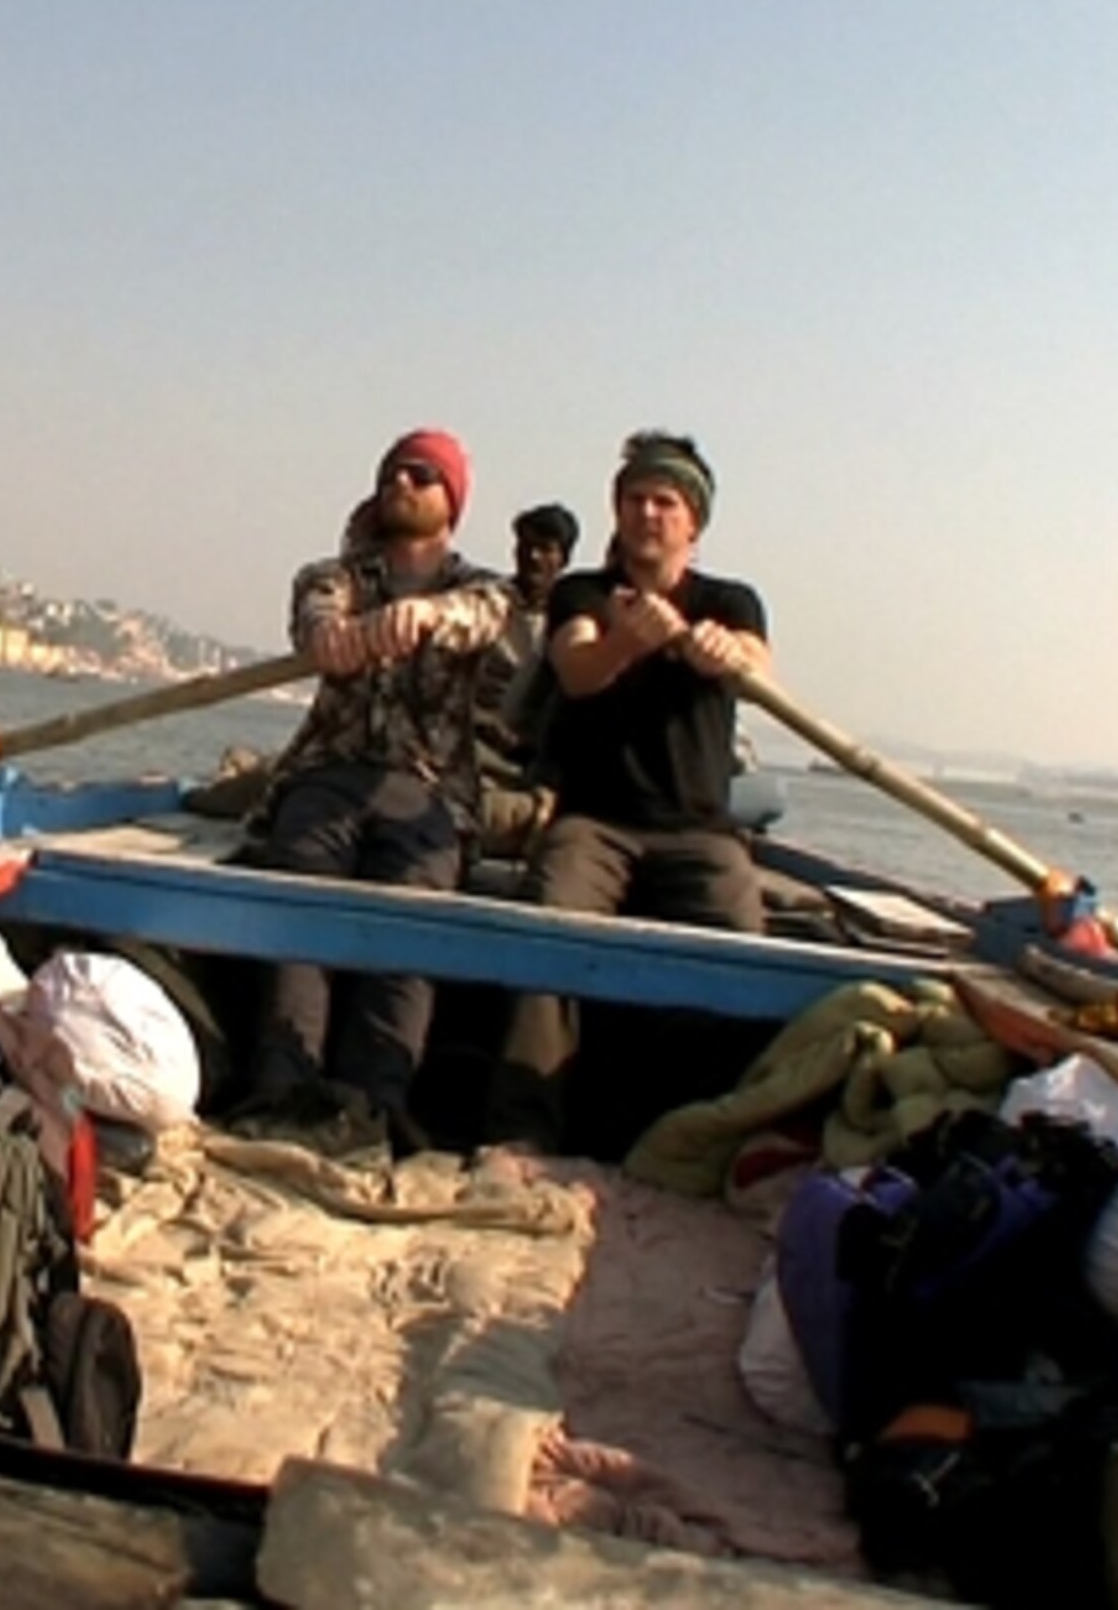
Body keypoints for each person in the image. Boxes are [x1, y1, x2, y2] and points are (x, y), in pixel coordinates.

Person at [484, 431, 771, 1153]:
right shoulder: (584, 592)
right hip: (595, 825)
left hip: (700, 834)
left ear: (692, 522)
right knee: (548, 929)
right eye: (634, 499)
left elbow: (760, 671)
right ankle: (522, 1131)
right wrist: (631, 640)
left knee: (743, 937)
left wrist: (726, 654)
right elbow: (578, 666)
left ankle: (709, 1139)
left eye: (664, 502)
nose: (648, 513)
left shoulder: (731, 600)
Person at [235, 429, 514, 1154]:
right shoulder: (336, 576)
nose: (404, 482)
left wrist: (429, 616)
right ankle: (283, 1091)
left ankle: (375, 1104)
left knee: (408, 930)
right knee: (298, 911)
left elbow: (487, 619)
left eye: (423, 474)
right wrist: (330, 634)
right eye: (394, 470)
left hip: (427, 793)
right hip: (327, 775)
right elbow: (315, 610)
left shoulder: (480, 589)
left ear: (450, 500)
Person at [475, 503, 581, 858]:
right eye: (526, 546)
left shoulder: (576, 623)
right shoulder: (484, 606)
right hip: (477, 744)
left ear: (563, 559)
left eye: (546, 549)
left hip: (538, 758)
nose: (533, 557)